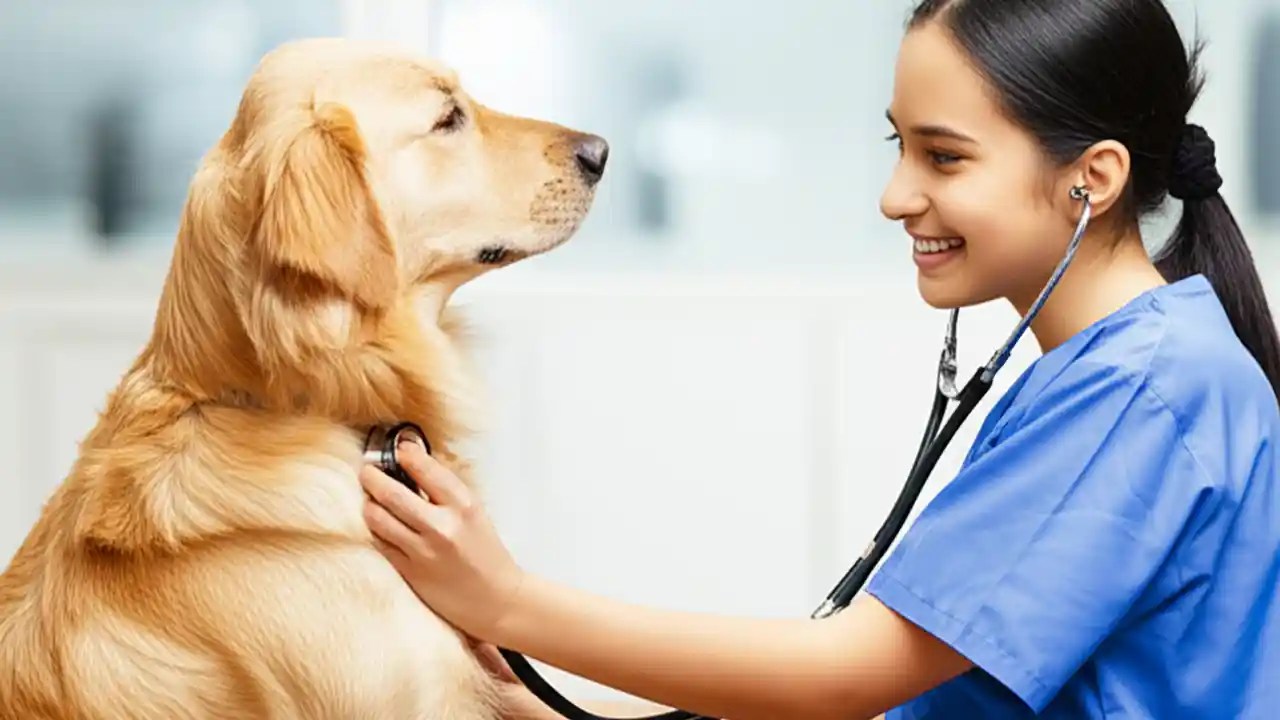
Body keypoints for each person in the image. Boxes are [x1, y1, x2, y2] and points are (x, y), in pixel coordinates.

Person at [359, 0, 1280, 717]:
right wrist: (570, 709)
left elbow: (856, 673)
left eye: (944, 158)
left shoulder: (1147, 392)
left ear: (1094, 177)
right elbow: (916, 698)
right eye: (900, 145)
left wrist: (507, 602)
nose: (894, 196)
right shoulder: (1112, 374)